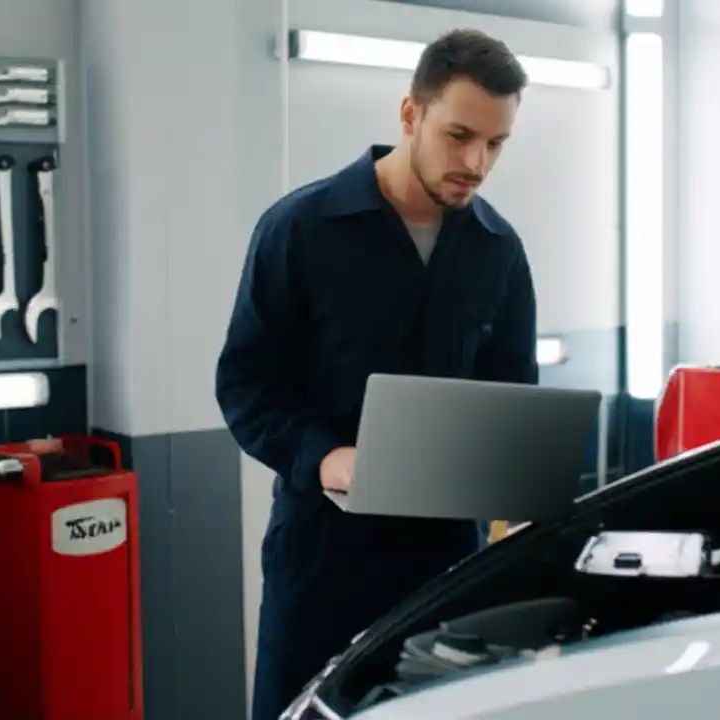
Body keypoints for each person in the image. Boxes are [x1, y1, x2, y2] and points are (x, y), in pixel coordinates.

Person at [215, 27, 538, 720]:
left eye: (495, 143)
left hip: (449, 562)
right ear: (409, 114)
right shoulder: (300, 229)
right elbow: (246, 384)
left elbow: (515, 401)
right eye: (459, 135)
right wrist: (328, 459)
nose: (476, 162)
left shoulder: (498, 251)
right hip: (324, 556)